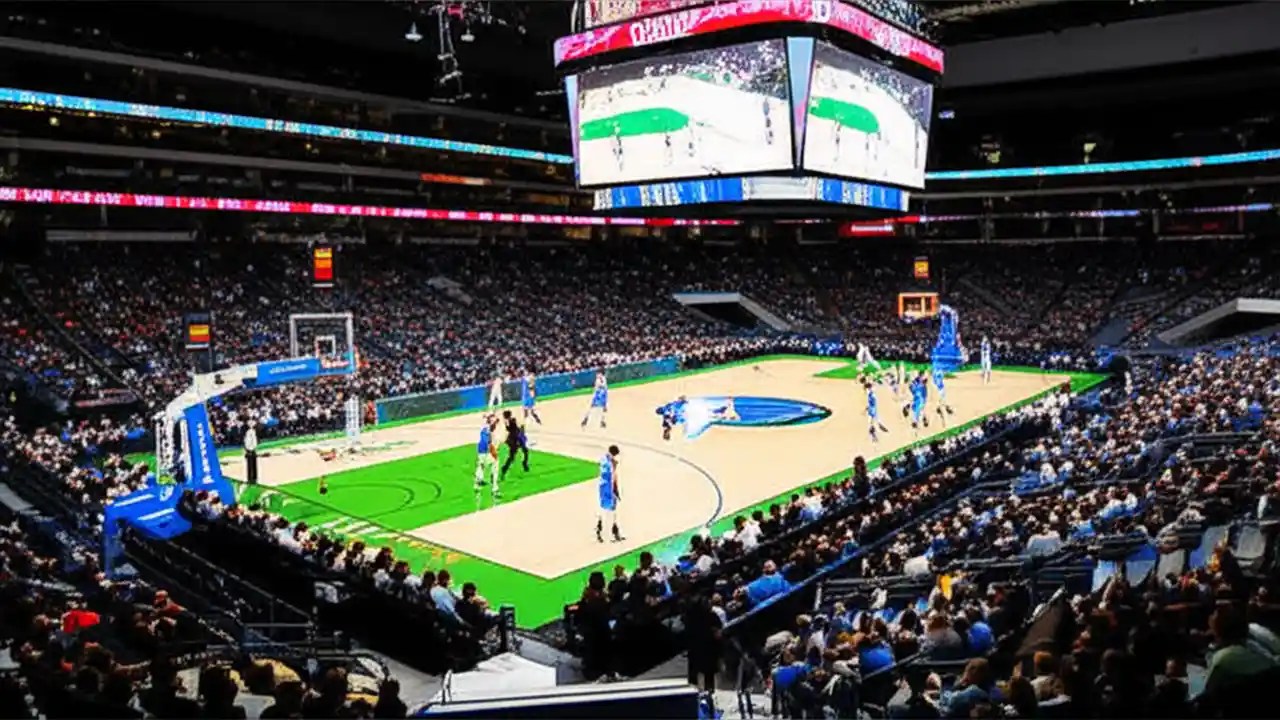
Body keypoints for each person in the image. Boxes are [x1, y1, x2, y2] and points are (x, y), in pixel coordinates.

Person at [596, 445, 623, 543]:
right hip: (608, 488)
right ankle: (607, 532)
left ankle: (611, 531)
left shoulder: (605, 460)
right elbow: (611, 478)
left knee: (608, 509)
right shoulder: (609, 463)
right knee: (609, 510)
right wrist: (615, 490)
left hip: (605, 487)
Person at [474, 414, 500, 500]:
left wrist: (489, 418)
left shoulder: (485, 428)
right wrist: (494, 454)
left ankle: (477, 483)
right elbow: (489, 443)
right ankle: (495, 489)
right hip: (486, 451)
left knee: (481, 466)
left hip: (481, 450)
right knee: (494, 468)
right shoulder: (488, 431)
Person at [500, 410, 530, 476]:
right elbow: (514, 430)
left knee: (514, 456)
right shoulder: (511, 421)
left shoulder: (508, 421)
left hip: (513, 440)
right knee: (523, 452)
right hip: (515, 440)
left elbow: (511, 429)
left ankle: (505, 468)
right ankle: (524, 464)